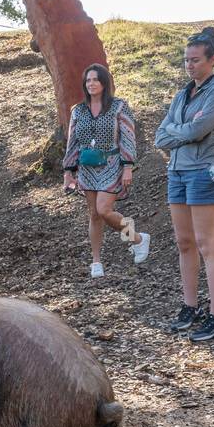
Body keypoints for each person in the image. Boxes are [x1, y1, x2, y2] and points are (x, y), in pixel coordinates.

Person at [154, 27, 214, 341]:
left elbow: (197, 131)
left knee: (206, 244)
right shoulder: (182, 94)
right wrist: (182, 129)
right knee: (184, 243)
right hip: (177, 171)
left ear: (212, 59)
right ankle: (190, 307)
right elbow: (161, 136)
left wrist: (182, 129)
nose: (190, 65)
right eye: (186, 60)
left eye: (196, 60)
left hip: (205, 171)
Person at [63, 63, 148, 277]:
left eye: (95, 79)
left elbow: (128, 137)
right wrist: (68, 170)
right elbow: (72, 141)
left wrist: (128, 166)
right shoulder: (78, 110)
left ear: (104, 82)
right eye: (88, 80)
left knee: (104, 210)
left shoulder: (118, 106)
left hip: (111, 164)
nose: (91, 83)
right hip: (87, 167)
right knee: (94, 214)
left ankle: (137, 238)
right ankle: (96, 262)